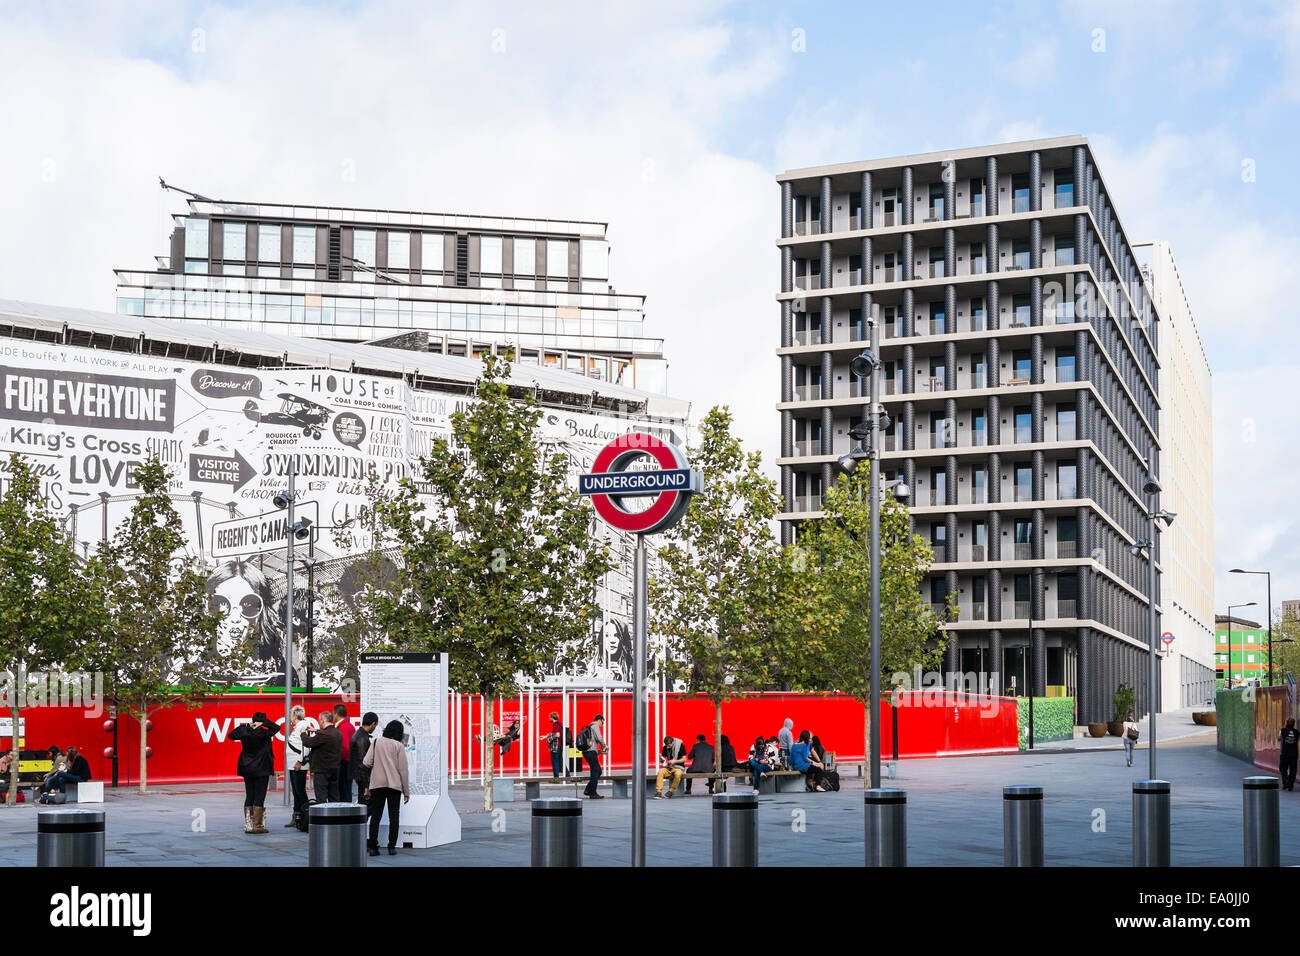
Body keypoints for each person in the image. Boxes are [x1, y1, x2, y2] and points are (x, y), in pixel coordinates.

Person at [363, 719, 410, 856]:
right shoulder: (399, 746)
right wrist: (406, 791)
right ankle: (391, 846)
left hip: (377, 784)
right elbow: (403, 770)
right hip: (394, 785)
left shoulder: (376, 742)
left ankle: (372, 847)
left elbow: (366, 762)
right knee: (394, 816)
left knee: (375, 816)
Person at [229, 712, 280, 834]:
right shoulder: (264, 733)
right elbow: (277, 727)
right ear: (263, 721)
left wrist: (247, 726)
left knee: (249, 795)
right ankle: (257, 825)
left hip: (247, 768)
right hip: (262, 768)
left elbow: (231, 735)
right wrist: (264, 723)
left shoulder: (245, 732)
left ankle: (248, 824)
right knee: (260, 796)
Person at [284, 705, 319, 828]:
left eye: (291, 714)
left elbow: (307, 746)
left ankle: (306, 817)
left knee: (300, 791)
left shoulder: (303, 725)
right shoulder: (297, 726)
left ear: (295, 715)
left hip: (298, 765)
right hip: (292, 764)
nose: (290, 717)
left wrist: (299, 761)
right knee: (296, 791)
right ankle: (297, 816)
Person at [302, 710, 343, 803]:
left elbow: (308, 742)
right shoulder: (337, 732)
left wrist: (303, 733)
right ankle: (334, 816)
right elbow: (326, 736)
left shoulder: (323, 734)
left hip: (322, 770)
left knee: (321, 798)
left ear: (322, 720)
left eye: (319, 720)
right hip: (335, 769)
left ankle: (323, 817)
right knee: (334, 797)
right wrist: (316, 730)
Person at [350, 712, 379, 802]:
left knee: (364, 805)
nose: (374, 728)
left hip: (359, 776)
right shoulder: (362, 738)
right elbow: (363, 763)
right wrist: (367, 785)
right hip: (362, 778)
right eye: (375, 725)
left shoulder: (359, 734)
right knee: (366, 805)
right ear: (373, 724)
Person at [581, 714, 607, 799]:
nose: (602, 725)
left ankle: (589, 790)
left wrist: (598, 751)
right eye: (602, 723)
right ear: (599, 720)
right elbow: (599, 738)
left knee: (595, 771)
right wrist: (604, 746)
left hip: (587, 752)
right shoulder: (595, 726)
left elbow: (592, 742)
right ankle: (591, 792)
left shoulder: (590, 727)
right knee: (597, 771)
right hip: (590, 752)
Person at [334, 704, 355, 802]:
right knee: (346, 789)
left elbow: (344, 747)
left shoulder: (343, 727)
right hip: (348, 761)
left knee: (343, 790)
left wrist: (337, 759)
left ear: (336, 714)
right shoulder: (349, 725)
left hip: (344, 762)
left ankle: (346, 813)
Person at [541, 711, 568, 781]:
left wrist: (546, 737)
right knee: (560, 762)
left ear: (552, 718)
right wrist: (546, 736)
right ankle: (568, 776)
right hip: (560, 745)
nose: (549, 719)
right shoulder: (560, 724)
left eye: (550, 717)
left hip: (556, 746)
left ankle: (556, 779)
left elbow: (557, 734)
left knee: (555, 762)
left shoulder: (555, 725)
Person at [1280, 717, 1300, 791]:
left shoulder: (1282, 730)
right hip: (1294, 754)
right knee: (1293, 770)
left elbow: (1279, 738)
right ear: (1294, 724)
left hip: (1284, 753)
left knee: (1283, 768)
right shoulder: (1297, 732)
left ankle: (1285, 782)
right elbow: (1297, 739)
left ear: (1286, 722)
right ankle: (1290, 785)